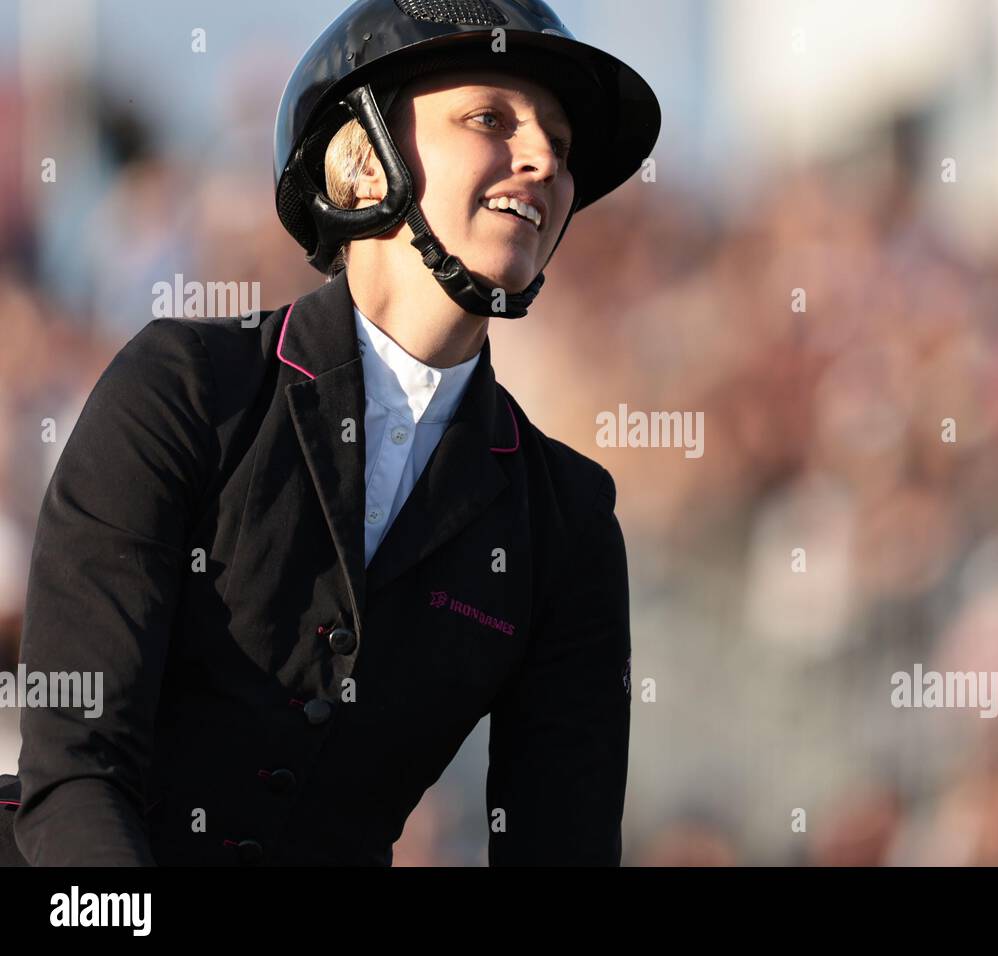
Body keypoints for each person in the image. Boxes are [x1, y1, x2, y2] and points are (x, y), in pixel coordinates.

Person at [12, 0, 660, 866]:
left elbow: (561, 849)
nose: (543, 161)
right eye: (490, 120)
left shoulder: (568, 522)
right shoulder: (184, 389)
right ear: (361, 162)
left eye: (561, 145)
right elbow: (78, 772)